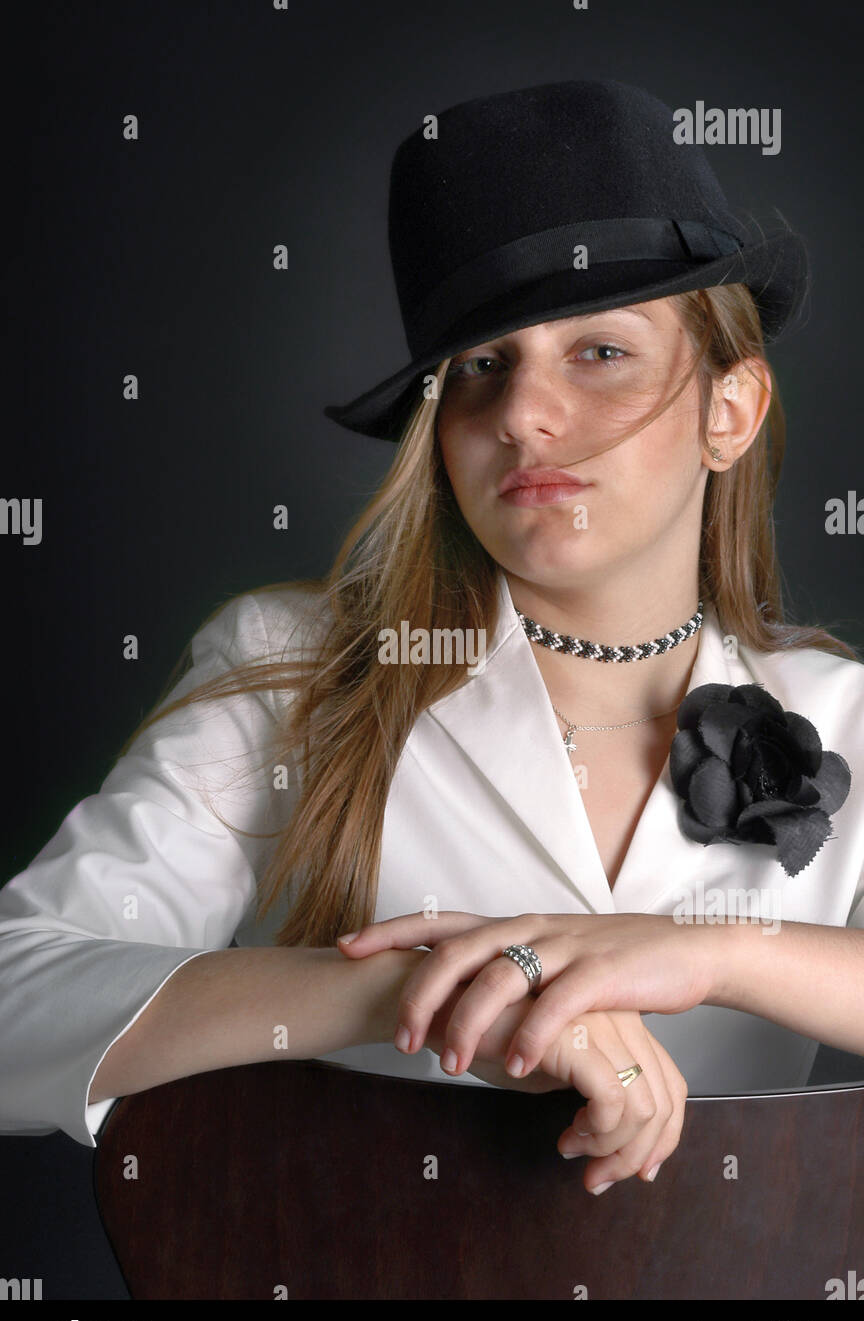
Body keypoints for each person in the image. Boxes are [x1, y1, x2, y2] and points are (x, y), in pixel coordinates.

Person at [2, 80, 863, 1201]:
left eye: (599, 352)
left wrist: (711, 954)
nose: (522, 414)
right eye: (480, 367)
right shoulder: (292, 668)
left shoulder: (842, 712)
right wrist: (423, 992)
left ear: (730, 411)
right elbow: (17, 996)